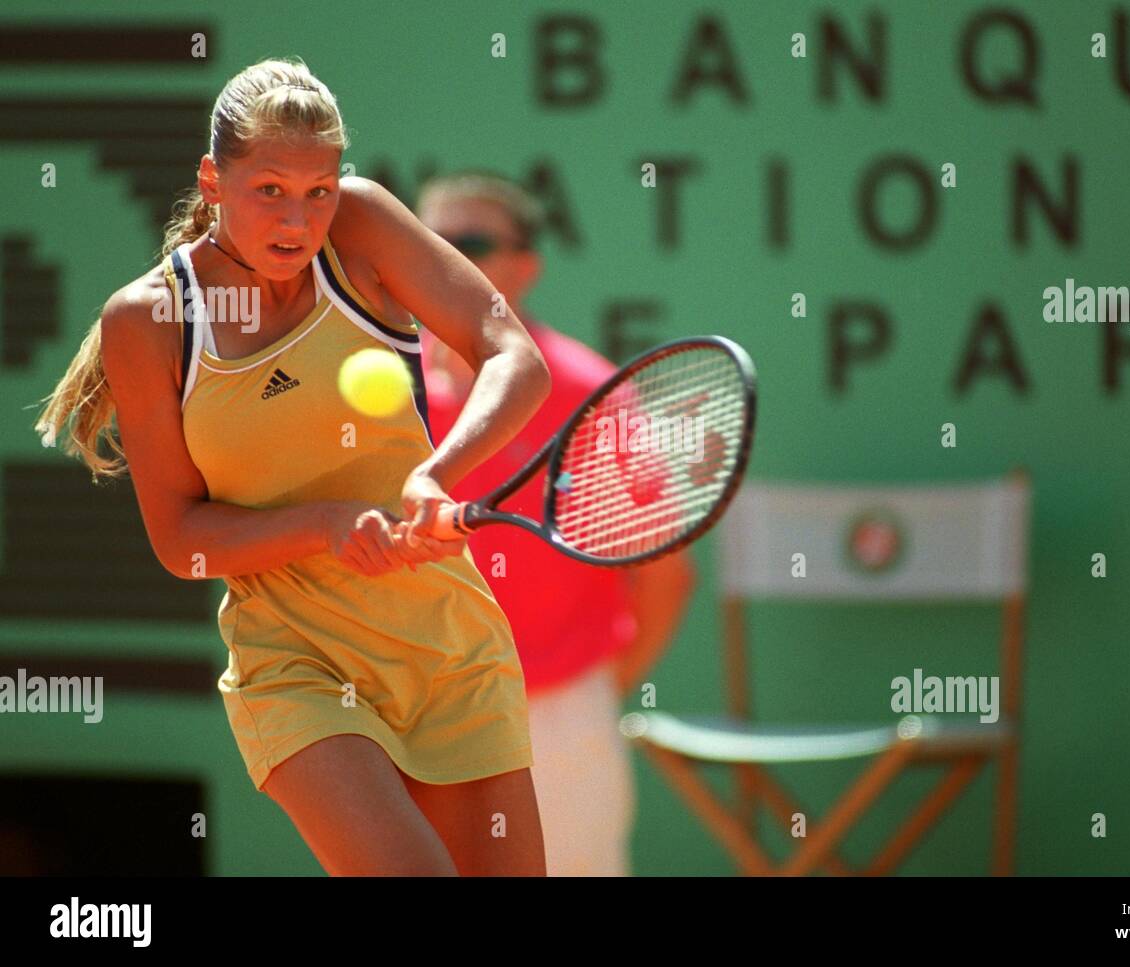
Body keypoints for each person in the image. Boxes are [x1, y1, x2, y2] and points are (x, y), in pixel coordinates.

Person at [32, 59, 553, 877]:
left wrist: (433, 476)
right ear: (212, 180)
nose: (297, 217)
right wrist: (326, 524)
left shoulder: (365, 225)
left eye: (317, 191)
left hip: (450, 648)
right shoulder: (150, 319)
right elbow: (181, 540)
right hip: (294, 661)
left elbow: (512, 355)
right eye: (268, 188)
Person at [415, 172, 696, 876]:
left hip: (557, 720)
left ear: (526, 266)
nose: (448, 257)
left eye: (472, 243)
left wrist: (584, 689)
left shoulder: (584, 391)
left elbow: (666, 572)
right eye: (428, 242)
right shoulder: (381, 390)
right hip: (404, 716)